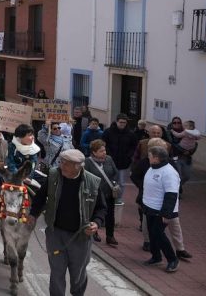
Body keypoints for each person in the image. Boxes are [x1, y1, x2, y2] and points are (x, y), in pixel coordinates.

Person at [28, 149, 106, 296]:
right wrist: (33, 215)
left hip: (80, 237)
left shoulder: (93, 182)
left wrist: (96, 223)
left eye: (65, 163)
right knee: (57, 271)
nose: (61, 166)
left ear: (78, 166)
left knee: (78, 274)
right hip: (56, 234)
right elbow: (40, 198)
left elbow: (101, 208)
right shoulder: (54, 176)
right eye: (61, 162)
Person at [142, 145, 180, 273]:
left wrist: (166, 214)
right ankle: (156, 257)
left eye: (150, 155)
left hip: (161, 210)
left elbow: (171, 194)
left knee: (158, 233)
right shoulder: (153, 167)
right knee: (152, 233)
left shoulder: (169, 172)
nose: (148, 157)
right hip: (150, 207)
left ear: (156, 158)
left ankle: (172, 259)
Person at [85, 139, 119, 246]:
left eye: (104, 150)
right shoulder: (88, 162)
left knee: (110, 215)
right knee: (94, 213)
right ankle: (94, 232)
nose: (104, 153)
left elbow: (115, 172)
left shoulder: (109, 159)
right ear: (94, 152)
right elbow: (86, 176)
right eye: (101, 151)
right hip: (96, 194)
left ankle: (110, 236)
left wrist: (114, 183)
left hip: (109, 192)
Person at [101, 113, 138, 202]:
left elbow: (134, 146)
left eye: (124, 122)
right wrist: (107, 154)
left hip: (124, 162)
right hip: (109, 161)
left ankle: (119, 198)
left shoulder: (130, 134)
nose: (122, 124)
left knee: (121, 182)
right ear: (117, 122)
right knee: (108, 180)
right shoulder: (108, 132)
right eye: (121, 122)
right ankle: (107, 197)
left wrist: (128, 156)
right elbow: (103, 143)